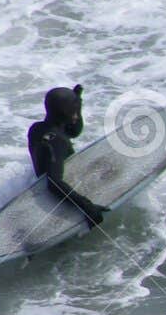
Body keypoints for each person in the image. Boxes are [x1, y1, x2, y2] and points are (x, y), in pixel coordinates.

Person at [28, 84, 107, 228]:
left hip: (43, 182)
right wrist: (88, 207)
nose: (76, 115)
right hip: (60, 192)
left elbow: (73, 131)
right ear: (65, 114)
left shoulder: (36, 128)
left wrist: (77, 101)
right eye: (73, 112)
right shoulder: (57, 140)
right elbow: (53, 182)